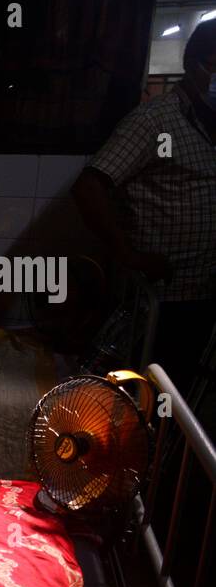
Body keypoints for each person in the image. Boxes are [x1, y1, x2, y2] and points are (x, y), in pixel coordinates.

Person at [71, 20, 216, 398]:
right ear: (199, 64)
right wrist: (128, 255)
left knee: (182, 396)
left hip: (203, 292)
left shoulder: (209, 127)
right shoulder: (156, 121)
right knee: (146, 399)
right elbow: (90, 187)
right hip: (163, 298)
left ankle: (166, 455)